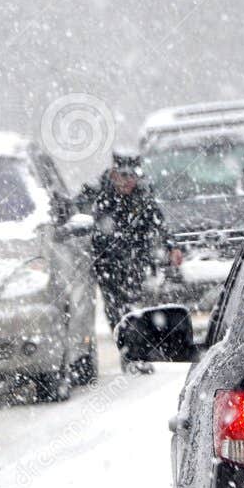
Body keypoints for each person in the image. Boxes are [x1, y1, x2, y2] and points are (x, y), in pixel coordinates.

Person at [88, 150, 181, 370]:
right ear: (113, 175)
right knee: (116, 311)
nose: (129, 181)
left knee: (136, 309)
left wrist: (172, 247)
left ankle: (137, 354)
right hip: (108, 266)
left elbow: (159, 223)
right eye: (124, 175)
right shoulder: (100, 198)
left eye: (134, 176)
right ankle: (128, 353)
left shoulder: (142, 197)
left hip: (136, 264)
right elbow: (90, 229)